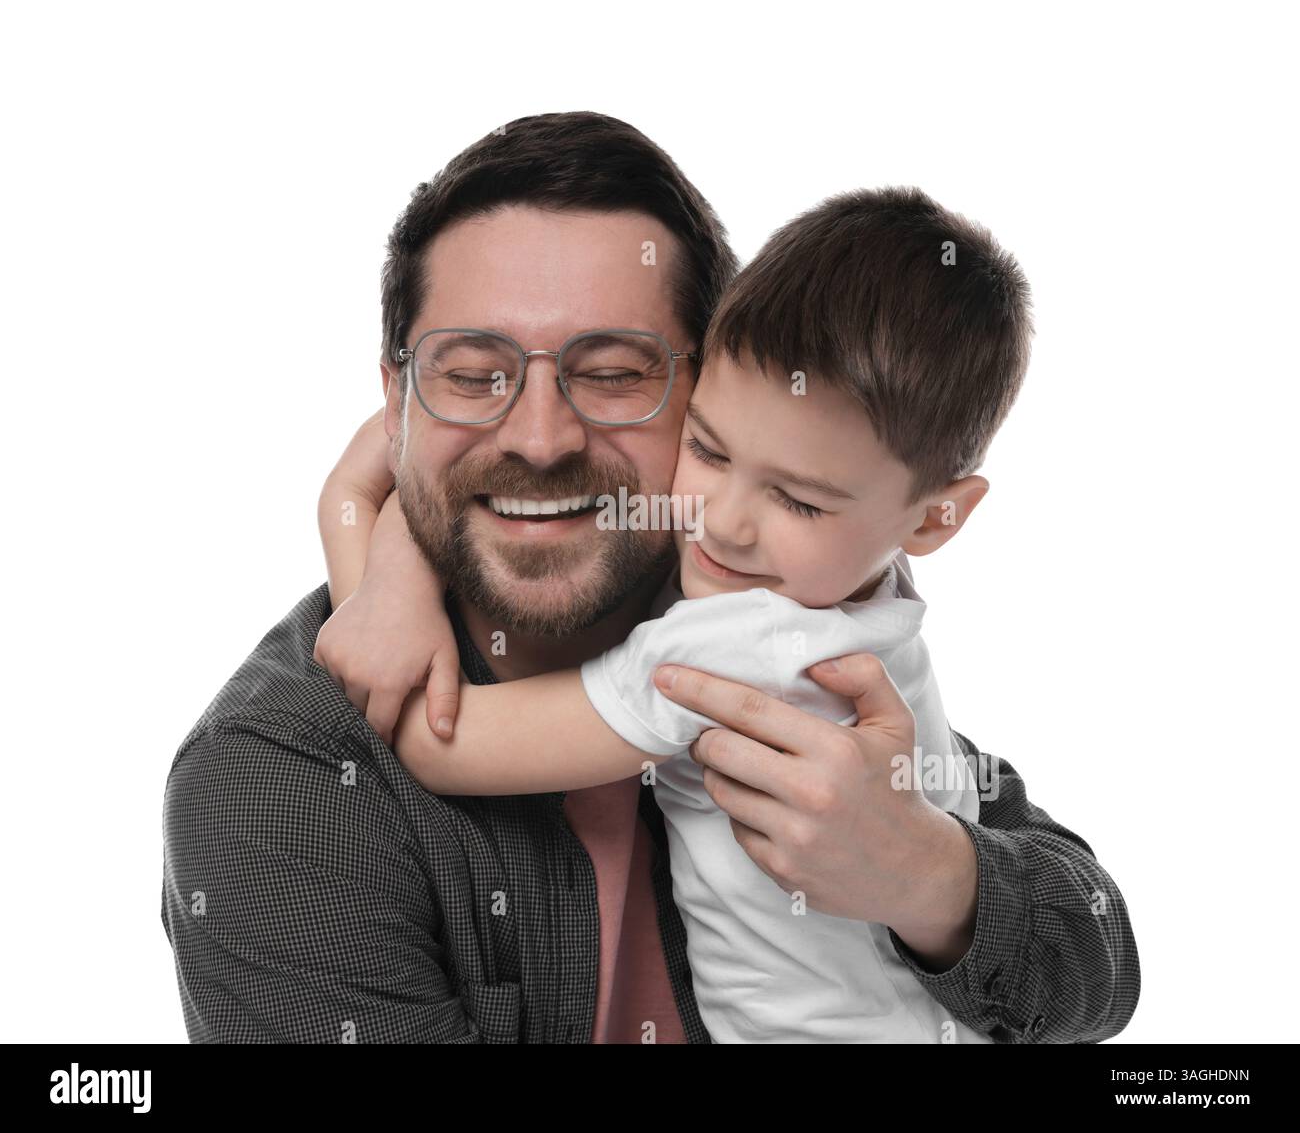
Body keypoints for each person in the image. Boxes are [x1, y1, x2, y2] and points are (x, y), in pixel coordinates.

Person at [161, 111, 1140, 1043]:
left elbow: (1097, 951)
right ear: (399, 400)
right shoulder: (275, 784)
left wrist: (931, 876)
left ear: (706, 383)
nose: (538, 438)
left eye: (615, 373)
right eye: (471, 374)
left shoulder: (745, 619)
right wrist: (381, 574)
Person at [316, 186, 1035, 1043]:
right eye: (708, 449)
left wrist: (363, 547)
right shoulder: (873, 591)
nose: (721, 520)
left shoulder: (734, 645)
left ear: (935, 517)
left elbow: (431, 737)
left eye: (799, 503)